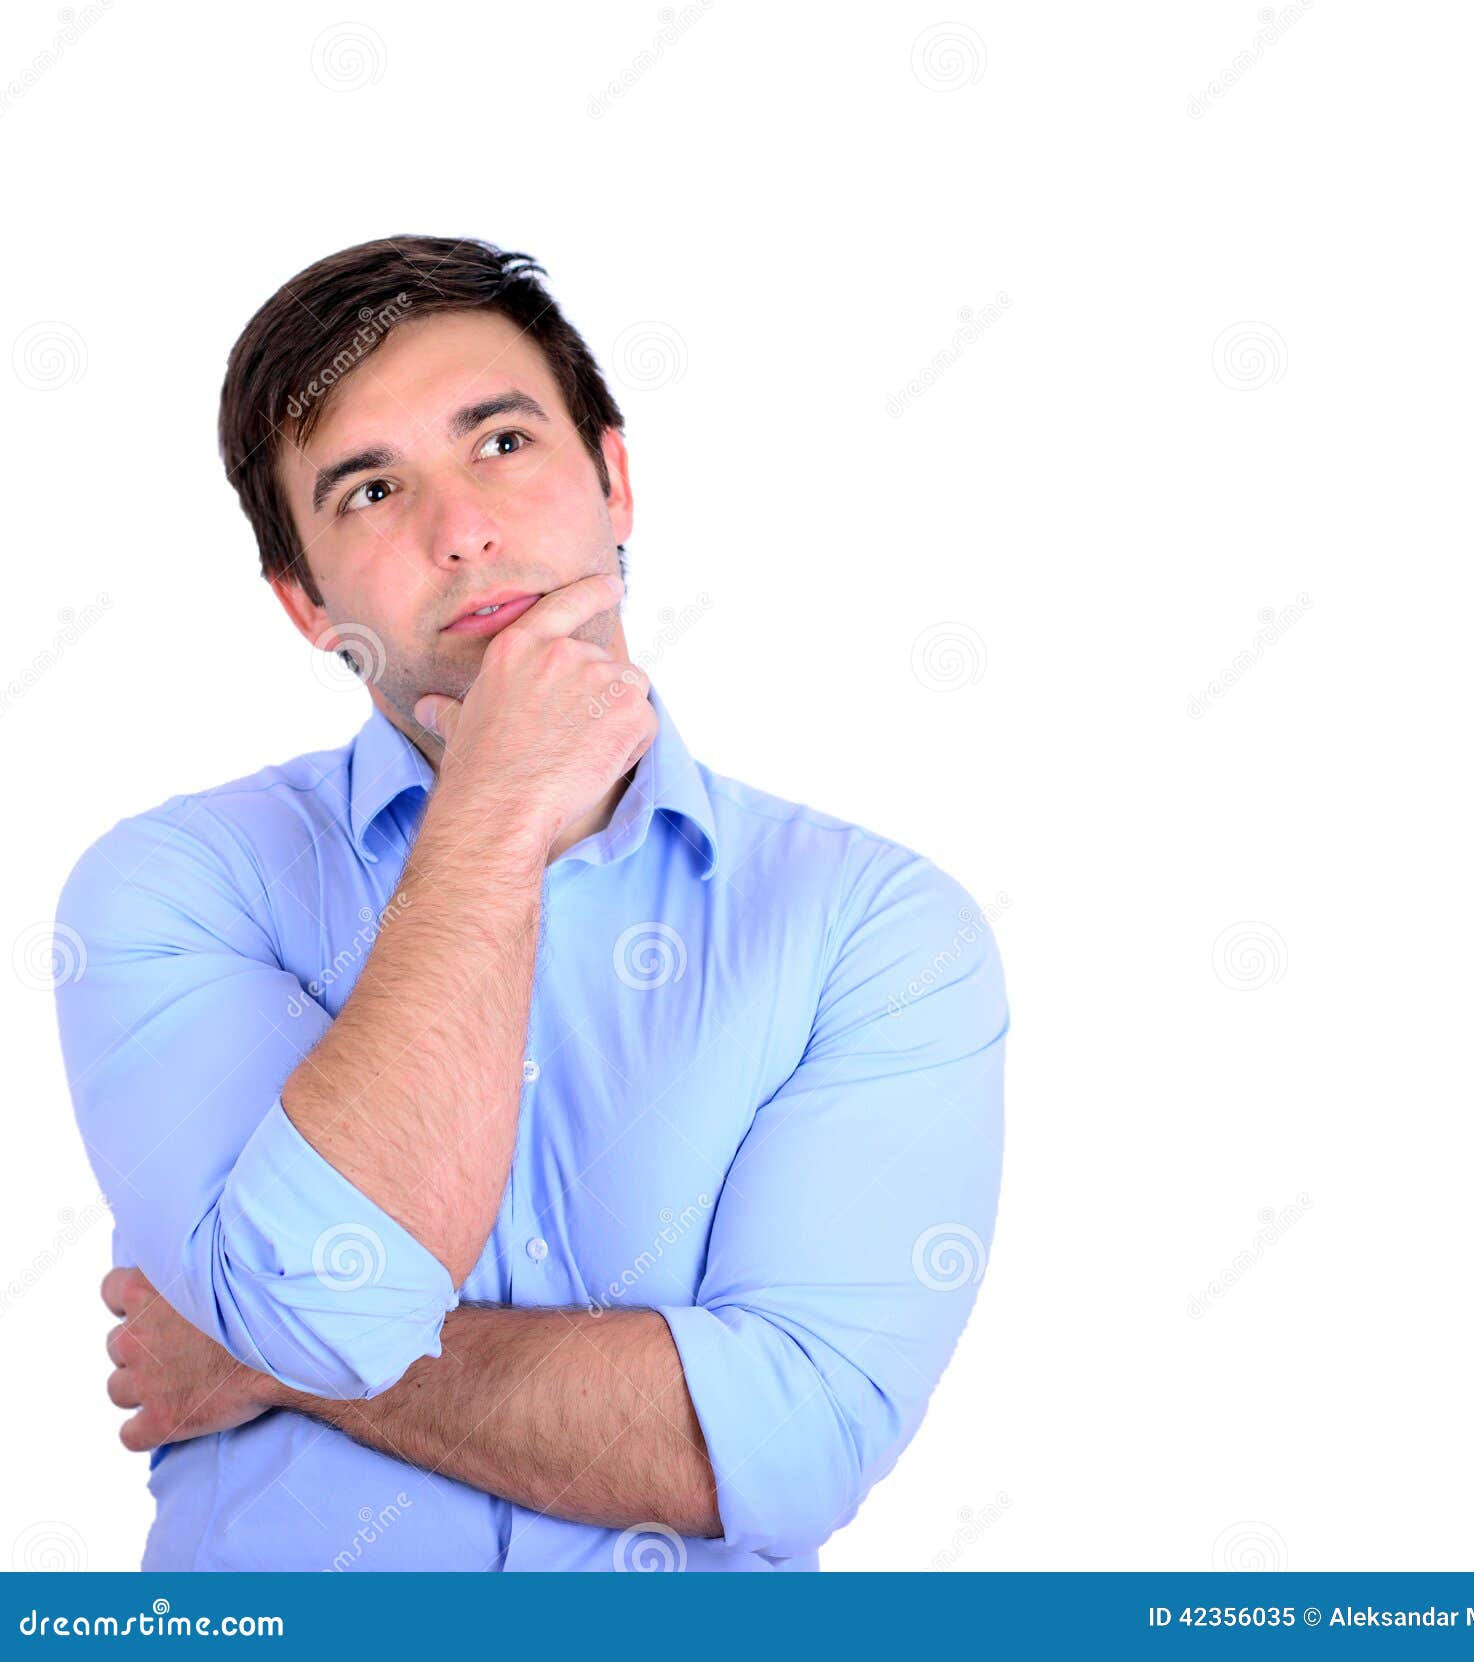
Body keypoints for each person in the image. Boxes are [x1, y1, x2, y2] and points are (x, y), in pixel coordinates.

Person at [52, 235, 1008, 1572]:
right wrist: (497, 808)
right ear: (305, 604)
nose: (463, 531)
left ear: (613, 478)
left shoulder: (874, 926)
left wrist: (267, 1360)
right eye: (372, 488)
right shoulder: (176, 887)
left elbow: (786, 1441)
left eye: (499, 443)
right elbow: (314, 1308)